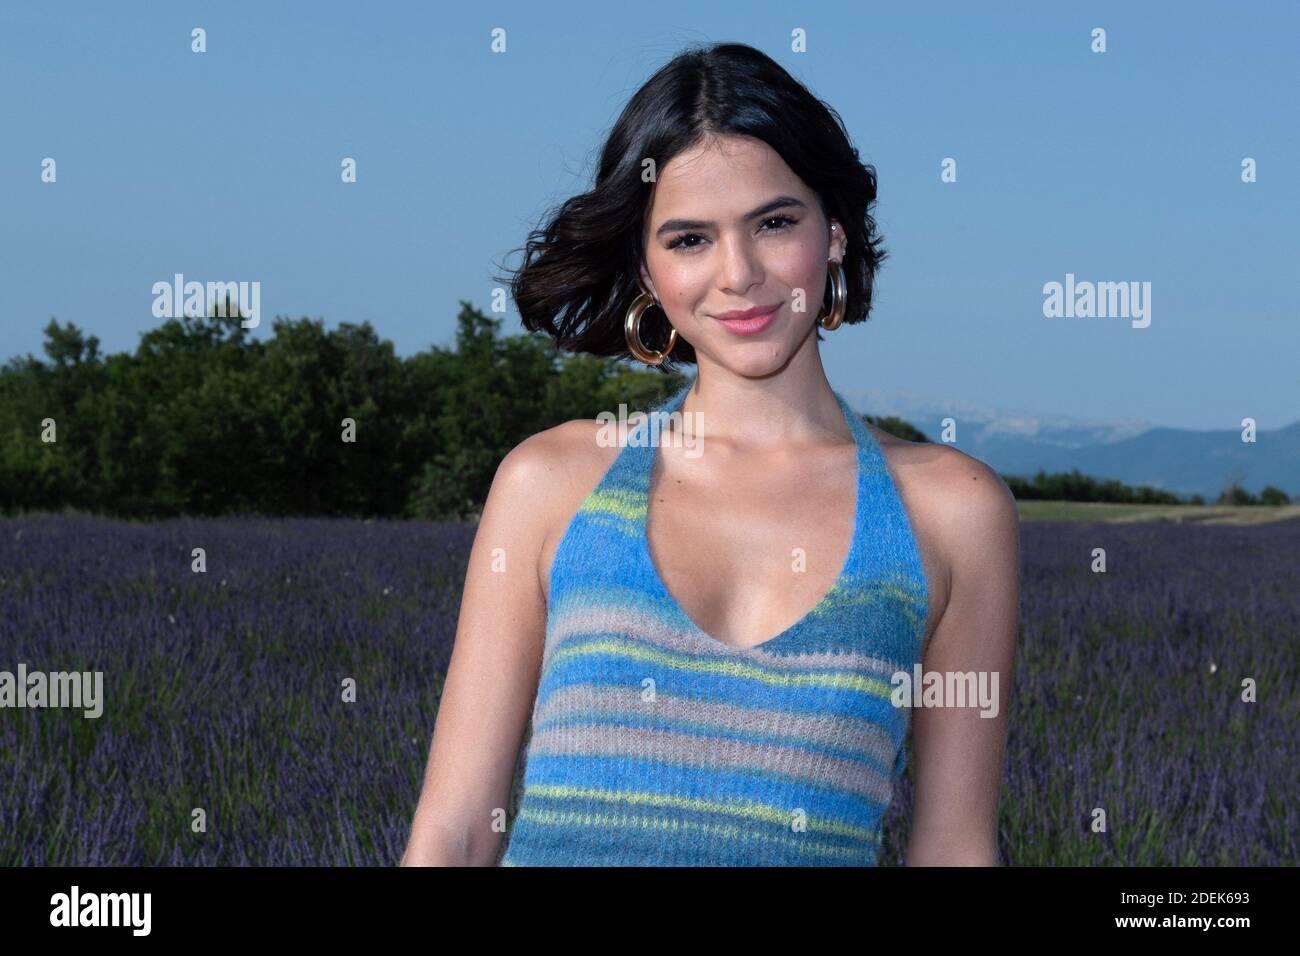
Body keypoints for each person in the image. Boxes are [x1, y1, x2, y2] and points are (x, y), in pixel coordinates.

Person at [401, 41, 1018, 866]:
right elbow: (457, 832)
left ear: (833, 233)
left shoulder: (950, 512)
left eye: (774, 223)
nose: (738, 274)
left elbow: (952, 847)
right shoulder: (549, 485)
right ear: (647, 270)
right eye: (689, 239)